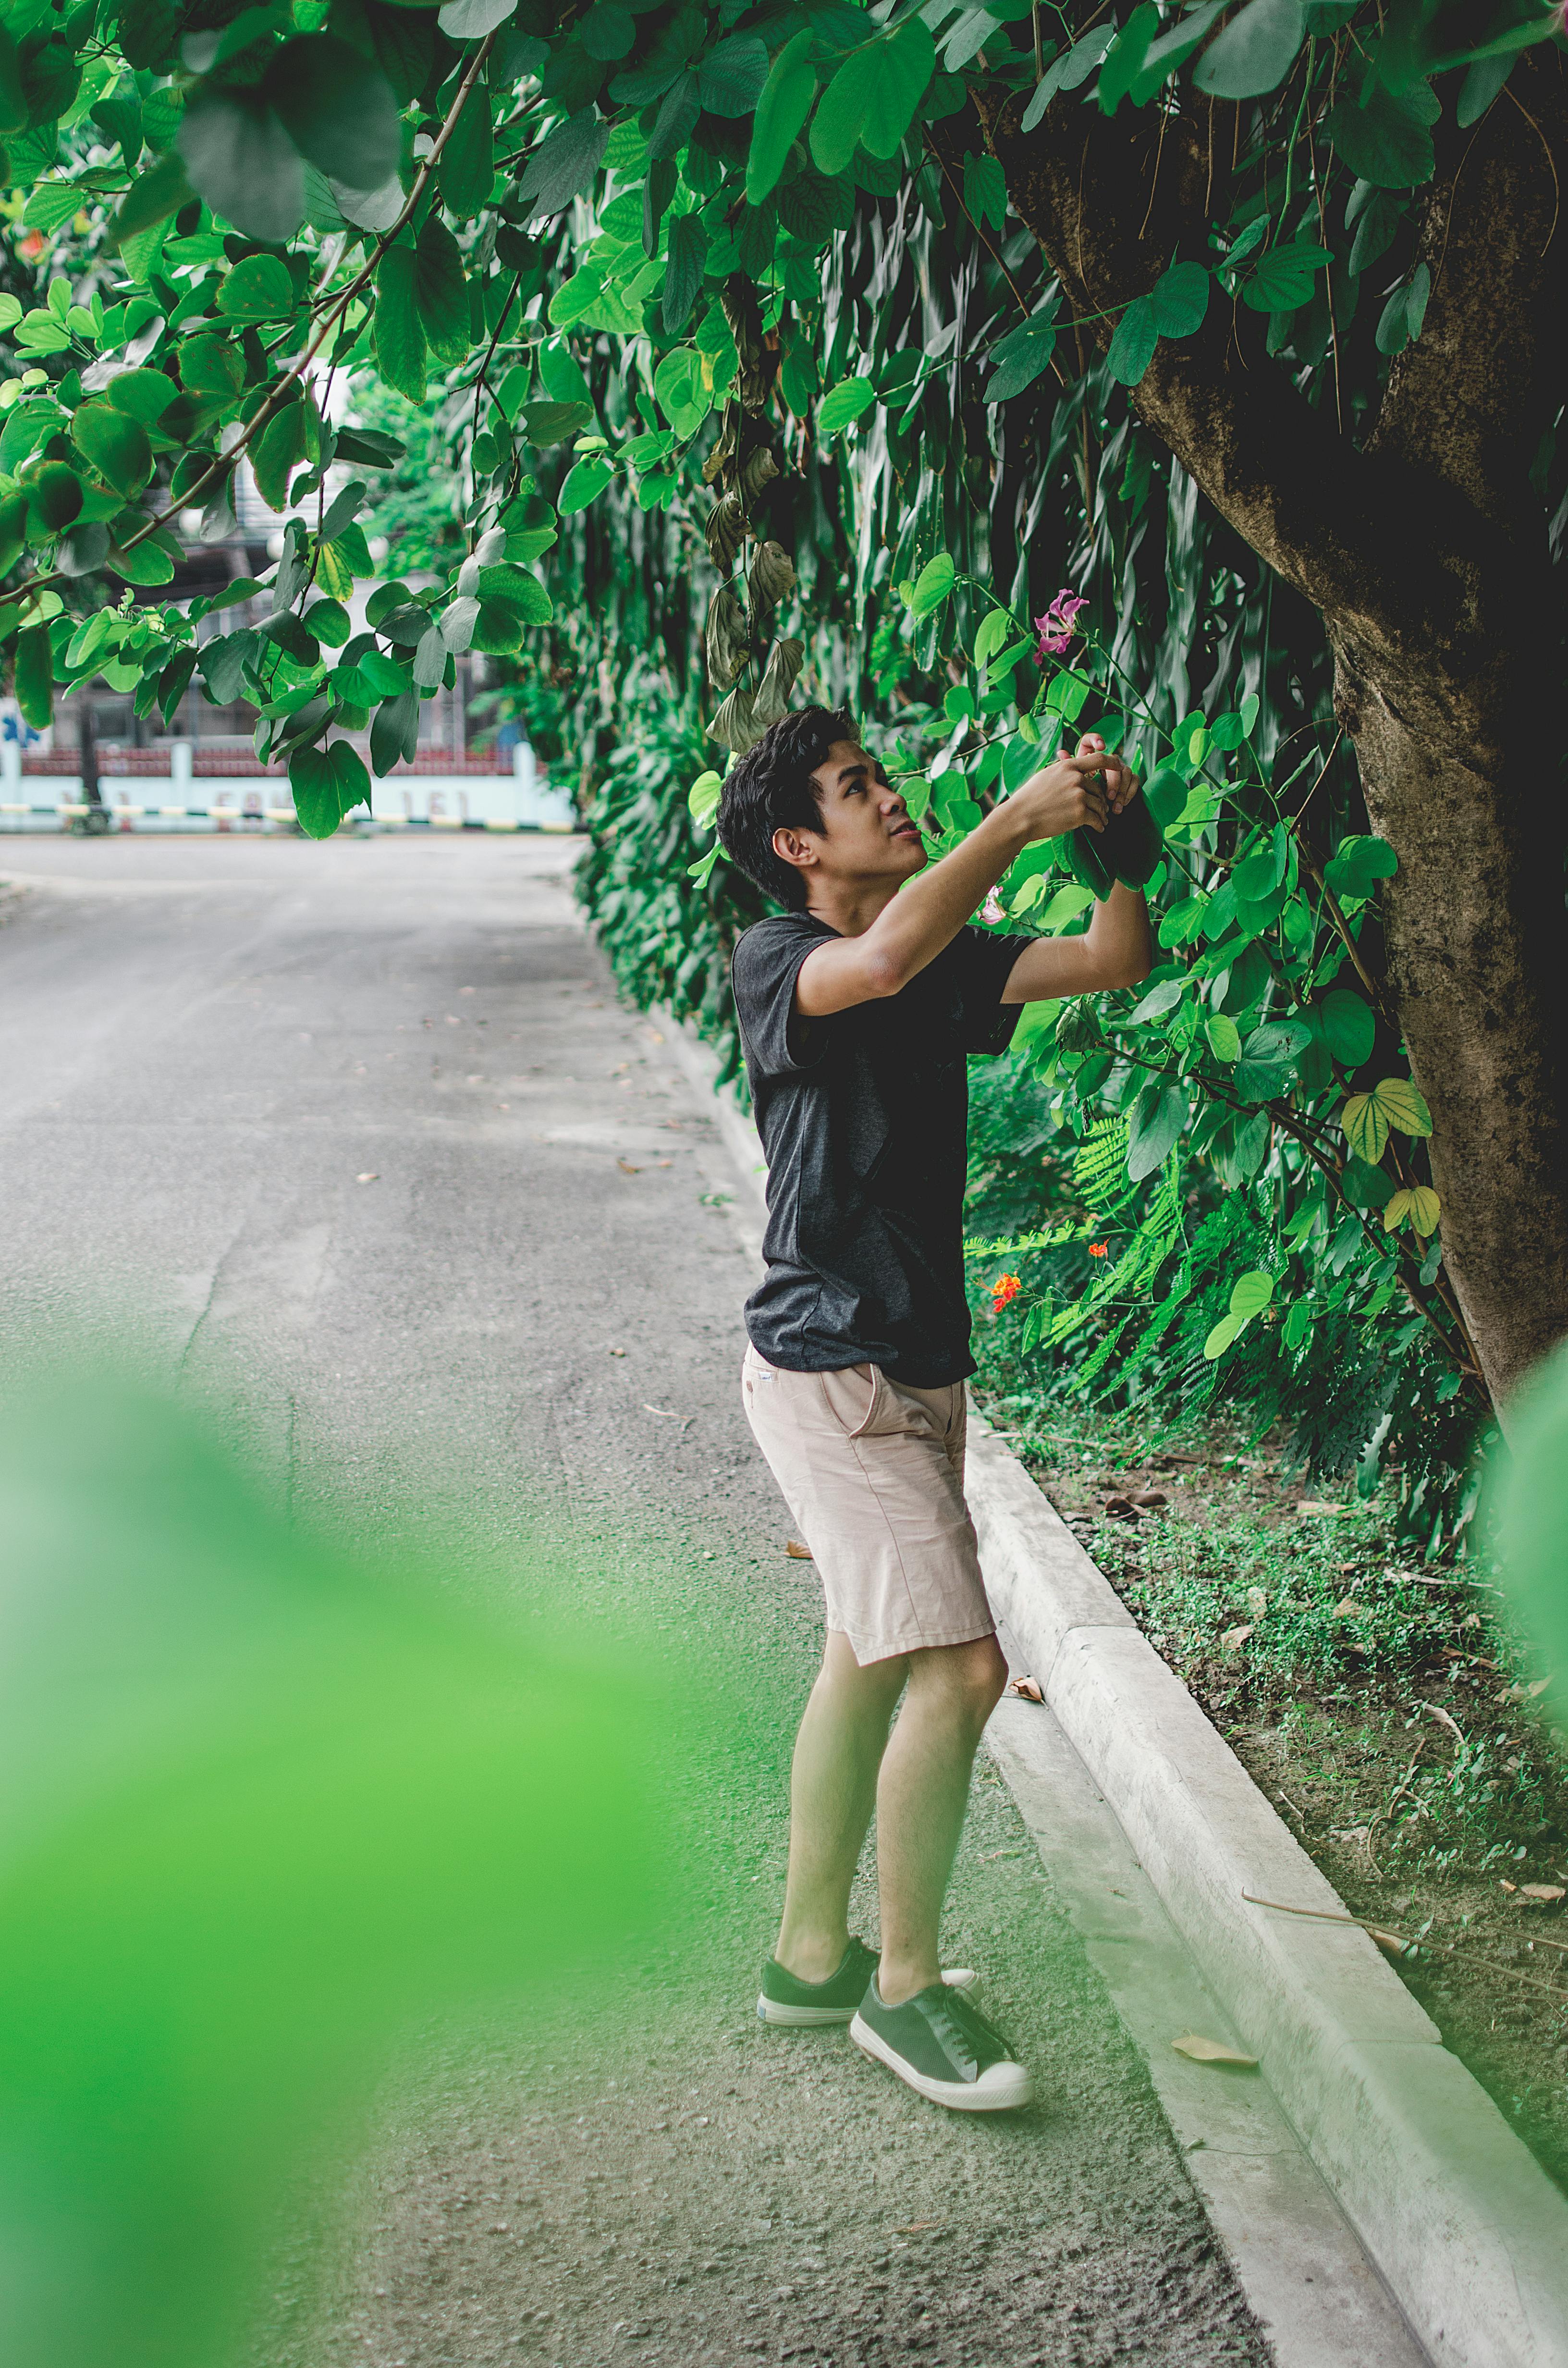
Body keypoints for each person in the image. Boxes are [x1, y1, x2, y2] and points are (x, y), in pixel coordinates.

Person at [716, 706, 1152, 2112]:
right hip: (827, 1367)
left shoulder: (937, 955)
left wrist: (1116, 843)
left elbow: (1109, 957)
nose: (892, 796)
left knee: (867, 1653)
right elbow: (886, 954)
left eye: (884, 777)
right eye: (859, 789)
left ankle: (806, 1958)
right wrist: (1020, 819)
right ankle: (903, 1991)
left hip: (914, 1363)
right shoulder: (778, 960)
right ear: (799, 845)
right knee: (958, 1671)